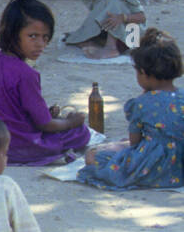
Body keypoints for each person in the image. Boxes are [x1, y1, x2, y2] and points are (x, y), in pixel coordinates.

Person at [0, 0, 91, 165]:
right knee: (81, 133)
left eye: (45, 37)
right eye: (33, 36)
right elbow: (45, 124)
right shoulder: (26, 74)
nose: (40, 44)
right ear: (12, 34)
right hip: (17, 147)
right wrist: (70, 122)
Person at [79, 29, 184, 189]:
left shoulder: (141, 103)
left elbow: (134, 142)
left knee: (92, 156)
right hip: (179, 168)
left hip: (151, 167)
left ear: (143, 72)